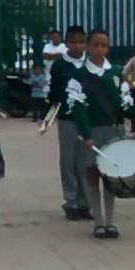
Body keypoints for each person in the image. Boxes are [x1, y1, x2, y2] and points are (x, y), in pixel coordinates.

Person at [67, 29, 135, 239]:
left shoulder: (116, 74)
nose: (100, 49)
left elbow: (123, 104)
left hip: (114, 130)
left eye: (104, 45)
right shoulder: (79, 76)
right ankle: (98, 221)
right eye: (96, 45)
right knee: (93, 174)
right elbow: (77, 107)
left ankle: (110, 221)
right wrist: (85, 134)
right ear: (87, 46)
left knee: (111, 175)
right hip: (92, 132)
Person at [48, 25, 91, 221]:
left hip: (88, 119)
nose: (77, 45)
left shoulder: (90, 63)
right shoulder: (60, 65)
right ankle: (71, 201)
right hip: (67, 118)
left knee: (86, 161)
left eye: (81, 42)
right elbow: (54, 92)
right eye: (74, 41)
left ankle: (87, 202)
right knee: (69, 161)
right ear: (66, 43)